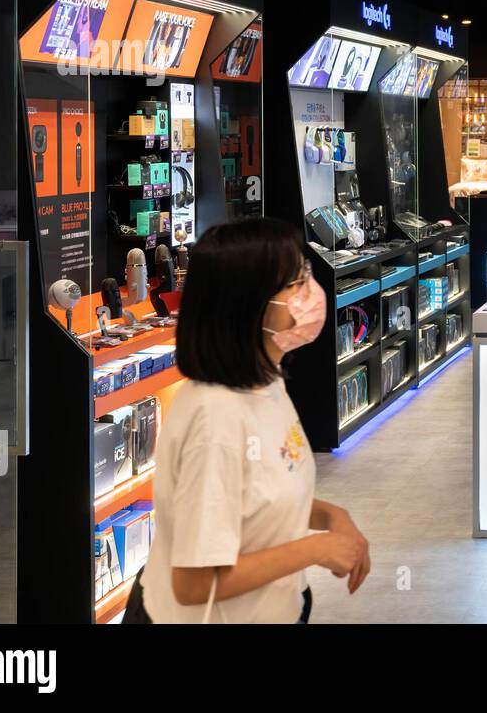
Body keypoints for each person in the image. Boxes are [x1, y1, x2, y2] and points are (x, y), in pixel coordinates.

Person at [137, 217, 371, 622]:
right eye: (295, 284)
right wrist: (314, 549)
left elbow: (259, 497)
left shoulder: (266, 381)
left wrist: (332, 517)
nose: (311, 295)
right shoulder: (215, 420)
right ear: (248, 305)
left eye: (307, 276)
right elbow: (193, 584)